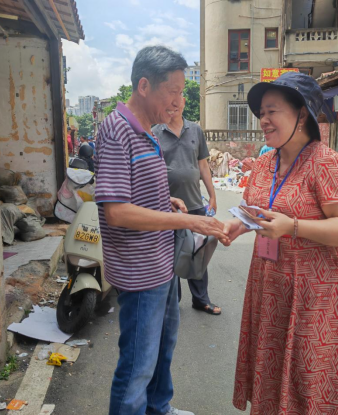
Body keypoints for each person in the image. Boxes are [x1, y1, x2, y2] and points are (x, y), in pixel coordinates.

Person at [95, 46, 228, 415]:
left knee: (162, 348)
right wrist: (189, 220)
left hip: (161, 264)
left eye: (182, 91)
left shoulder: (147, 131)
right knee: (137, 364)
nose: (178, 100)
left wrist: (166, 201)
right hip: (139, 273)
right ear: (143, 86)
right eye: (173, 90)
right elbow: (118, 212)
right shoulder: (117, 129)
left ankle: (159, 408)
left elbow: (135, 189)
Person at [223, 72, 338, 414]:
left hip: (315, 293)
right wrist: (239, 226)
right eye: (261, 113)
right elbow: (258, 212)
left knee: (307, 377)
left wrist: (295, 226)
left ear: (302, 114)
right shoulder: (264, 163)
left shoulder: (326, 163)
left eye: (272, 111)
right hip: (270, 286)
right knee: (271, 372)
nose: (263, 120)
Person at [152, 98, 221, 316]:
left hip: (194, 204)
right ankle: (173, 301)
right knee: (170, 254)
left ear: (184, 103)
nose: (173, 106)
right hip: (166, 207)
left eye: (177, 102)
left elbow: (203, 165)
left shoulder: (195, 130)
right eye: (168, 102)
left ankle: (201, 299)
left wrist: (212, 195)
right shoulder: (155, 131)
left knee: (197, 253)